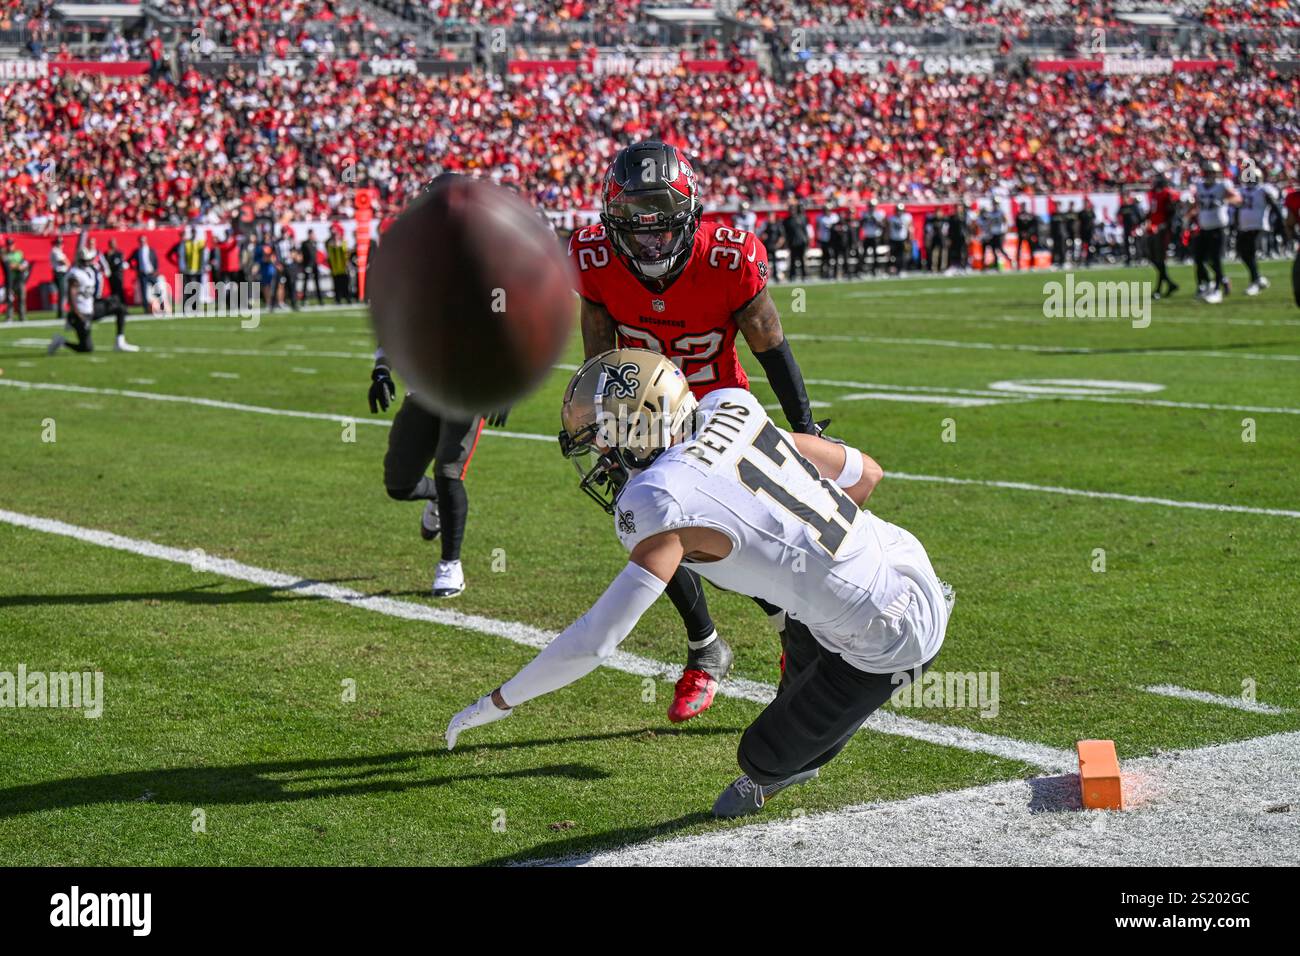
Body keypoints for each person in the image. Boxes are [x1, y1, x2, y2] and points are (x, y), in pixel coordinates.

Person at [445, 350, 951, 818]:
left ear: (639, 426)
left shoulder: (659, 497)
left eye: (601, 436)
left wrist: (500, 701)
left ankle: (792, 763)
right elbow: (866, 475)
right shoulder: (731, 406)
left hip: (888, 634)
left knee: (761, 755)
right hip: (904, 557)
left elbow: (596, 639)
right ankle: (829, 686)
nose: (599, 452)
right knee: (799, 623)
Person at [569, 141, 820, 724]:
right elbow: (599, 352)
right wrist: (607, 428)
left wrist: (805, 430)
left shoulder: (729, 258)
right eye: (636, 228)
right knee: (645, 526)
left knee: (743, 536)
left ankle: (791, 640)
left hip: (720, 408)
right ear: (613, 225)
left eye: (662, 226)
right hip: (648, 411)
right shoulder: (592, 257)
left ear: (689, 217)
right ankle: (706, 649)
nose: (651, 241)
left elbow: (771, 346)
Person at [47, 246, 137, 353]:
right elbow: (72, 295)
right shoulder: (75, 274)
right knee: (86, 348)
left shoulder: (89, 271)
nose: (88, 262)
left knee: (120, 308)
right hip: (80, 314)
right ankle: (61, 341)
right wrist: (77, 313)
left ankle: (120, 342)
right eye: (86, 260)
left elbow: (91, 291)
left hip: (91, 308)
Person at [1190, 160, 1240, 304]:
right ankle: (1207, 284)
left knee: (1216, 259)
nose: (1209, 175)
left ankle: (1217, 290)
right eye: (1207, 172)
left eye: (1212, 172)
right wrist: (1189, 215)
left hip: (1219, 227)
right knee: (1199, 258)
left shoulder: (1222, 185)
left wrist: (1225, 201)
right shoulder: (1199, 186)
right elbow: (1197, 203)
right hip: (1204, 227)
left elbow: (1237, 198)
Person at [1236, 164, 1282, 296]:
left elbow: (1274, 205)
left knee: (1249, 253)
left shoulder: (1264, 190)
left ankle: (1255, 282)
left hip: (1259, 225)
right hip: (1245, 226)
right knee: (1243, 252)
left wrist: (1279, 224)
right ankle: (1258, 279)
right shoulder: (1242, 191)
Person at [1147, 173, 1181, 299]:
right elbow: (1153, 211)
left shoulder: (1167, 193)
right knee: (1153, 258)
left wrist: (1165, 225)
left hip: (1162, 229)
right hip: (1154, 228)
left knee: (1159, 259)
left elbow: (1172, 210)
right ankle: (1169, 283)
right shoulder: (1155, 194)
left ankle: (1158, 289)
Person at [129, 235, 163, 314]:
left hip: (151, 273)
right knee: (143, 293)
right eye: (141, 241)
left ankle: (162, 305)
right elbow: (129, 260)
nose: (142, 242)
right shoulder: (137, 251)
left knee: (157, 290)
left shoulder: (151, 250)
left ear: (146, 241)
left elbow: (155, 260)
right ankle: (146, 309)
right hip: (142, 274)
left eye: (143, 240)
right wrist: (135, 269)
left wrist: (156, 270)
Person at [2, 237, 28, 322]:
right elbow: (9, 265)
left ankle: (22, 316)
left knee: (22, 298)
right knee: (10, 299)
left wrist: (21, 266)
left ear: (14, 244)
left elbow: (25, 263)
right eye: (8, 244)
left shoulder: (19, 253)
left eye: (11, 244)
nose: (10, 246)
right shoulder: (4, 254)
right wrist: (18, 266)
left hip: (19, 279)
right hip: (10, 280)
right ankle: (9, 317)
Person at [782, 199, 808, 282]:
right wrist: (786, 242)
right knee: (792, 260)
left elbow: (805, 230)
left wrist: (806, 240)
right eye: (791, 209)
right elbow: (785, 233)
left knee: (802, 260)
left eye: (793, 209)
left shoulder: (802, 218)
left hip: (801, 242)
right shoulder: (786, 221)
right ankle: (792, 276)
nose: (792, 211)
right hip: (792, 242)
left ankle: (804, 276)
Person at [326, 230, 353, 303]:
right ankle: (338, 299)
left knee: (345, 285)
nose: (336, 237)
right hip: (335, 269)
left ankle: (348, 298)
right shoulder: (330, 244)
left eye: (337, 235)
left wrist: (343, 243)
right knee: (337, 286)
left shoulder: (343, 243)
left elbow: (346, 253)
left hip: (343, 268)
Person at [300, 230, 324, 305]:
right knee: (305, 283)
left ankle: (320, 300)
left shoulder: (315, 243)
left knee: (317, 283)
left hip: (315, 265)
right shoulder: (305, 243)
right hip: (307, 266)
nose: (312, 236)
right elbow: (303, 255)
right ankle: (304, 300)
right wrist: (306, 266)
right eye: (311, 234)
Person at [860, 202, 884, 275]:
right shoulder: (865, 214)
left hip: (875, 236)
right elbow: (861, 224)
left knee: (875, 254)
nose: (871, 207)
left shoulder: (879, 213)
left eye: (872, 206)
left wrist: (875, 220)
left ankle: (875, 269)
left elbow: (882, 225)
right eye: (870, 206)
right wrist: (865, 219)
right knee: (864, 253)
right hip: (867, 236)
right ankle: (863, 269)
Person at [886, 204, 911, 274]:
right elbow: (888, 230)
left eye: (901, 210)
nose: (899, 212)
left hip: (902, 239)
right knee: (892, 256)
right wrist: (887, 239)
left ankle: (901, 270)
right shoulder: (891, 218)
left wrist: (909, 240)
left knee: (902, 256)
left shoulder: (907, 217)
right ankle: (892, 269)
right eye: (898, 210)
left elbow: (909, 229)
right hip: (893, 239)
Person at [49, 236, 69, 319]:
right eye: (58, 243)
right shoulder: (55, 251)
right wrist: (67, 262)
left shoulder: (59, 251)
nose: (60, 244)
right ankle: (61, 313)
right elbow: (65, 262)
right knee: (61, 293)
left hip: (62, 273)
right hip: (59, 273)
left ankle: (62, 311)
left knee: (63, 293)